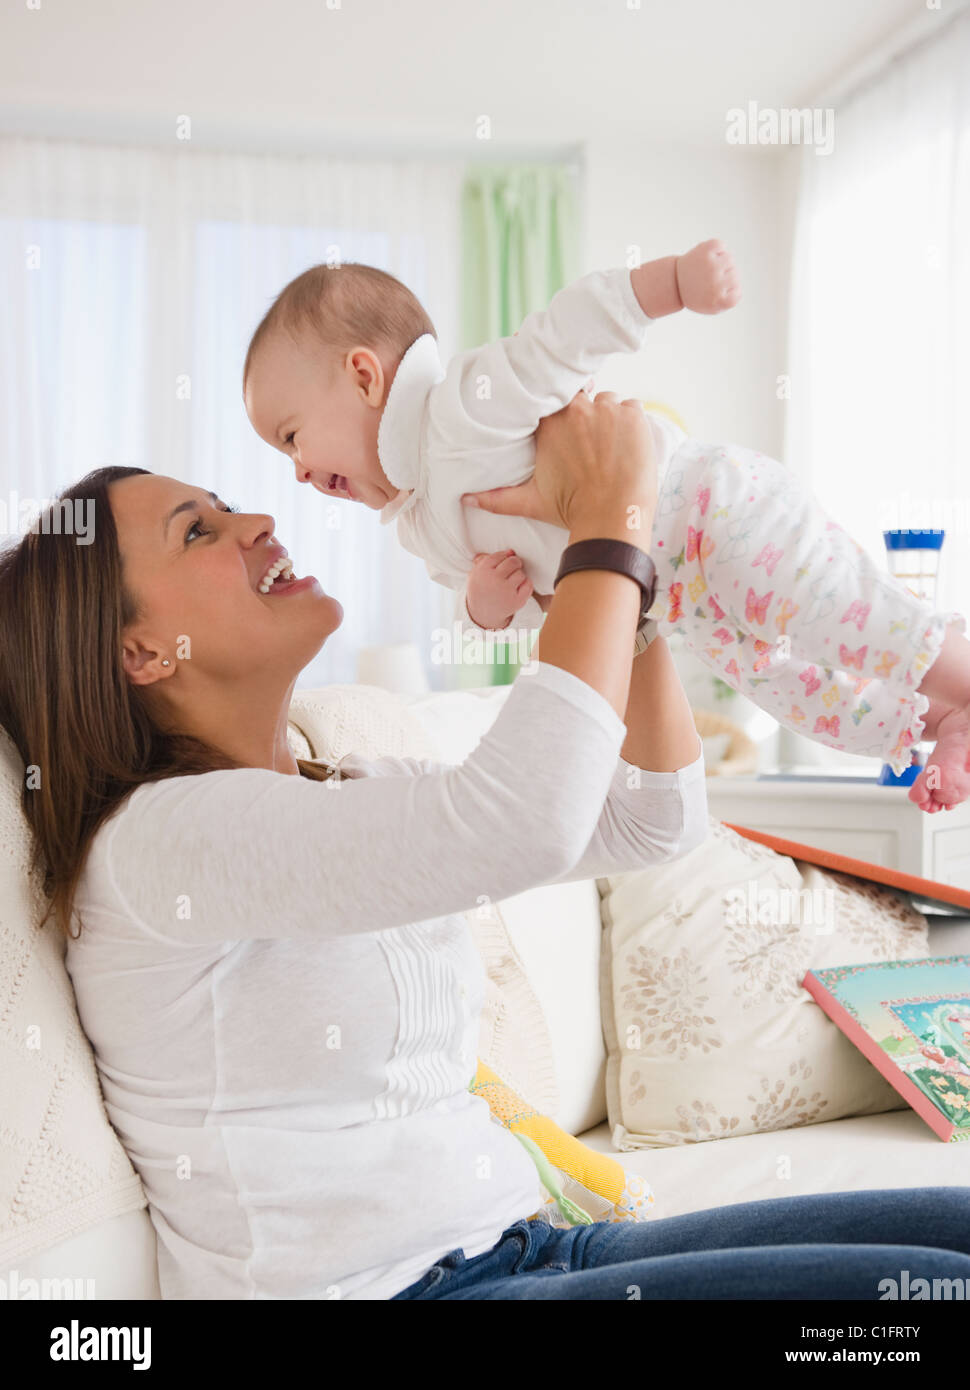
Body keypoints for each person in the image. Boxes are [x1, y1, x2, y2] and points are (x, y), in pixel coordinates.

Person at [1, 393, 967, 1301]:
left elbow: (650, 820)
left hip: (531, 1246)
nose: (256, 520)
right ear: (138, 652)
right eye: (197, 532)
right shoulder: (164, 842)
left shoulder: (355, 785)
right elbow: (521, 820)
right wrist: (605, 531)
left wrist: (621, 589)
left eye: (225, 506)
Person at [242, 253, 970, 814]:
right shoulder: (422, 527)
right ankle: (939, 723)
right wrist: (483, 608)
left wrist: (670, 283)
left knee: (842, 617)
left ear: (365, 376)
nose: (298, 472)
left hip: (711, 510)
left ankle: (962, 675)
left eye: (292, 436)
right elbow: (525, 607)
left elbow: (561, 338)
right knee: (794, 690)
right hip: (681, 601)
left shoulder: (462, 406)